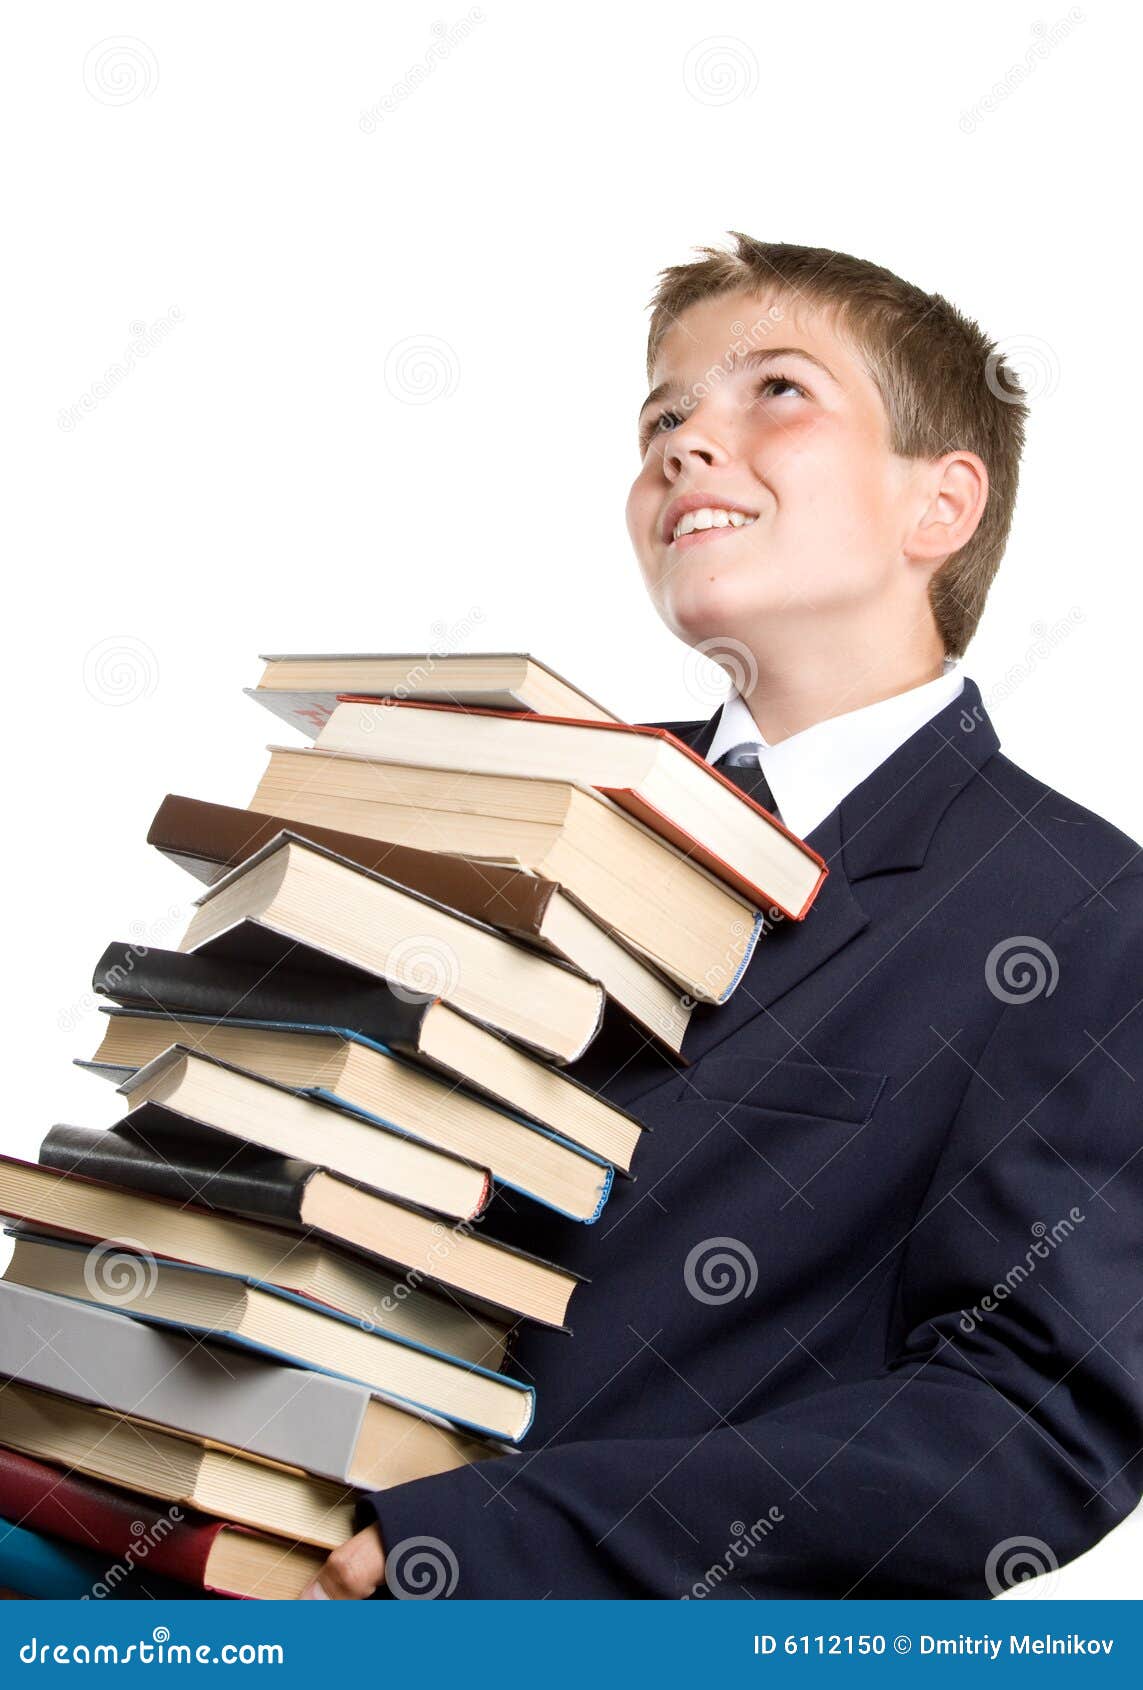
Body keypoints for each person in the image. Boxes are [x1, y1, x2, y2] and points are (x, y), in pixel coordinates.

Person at [303, 236, 1143, 1600]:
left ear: (942, 503)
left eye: (777, 393)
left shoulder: (1087, 915)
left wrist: (501, 1544)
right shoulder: (548, 808)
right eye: (663, 415)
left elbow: (1027, 1420)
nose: (689, 444)